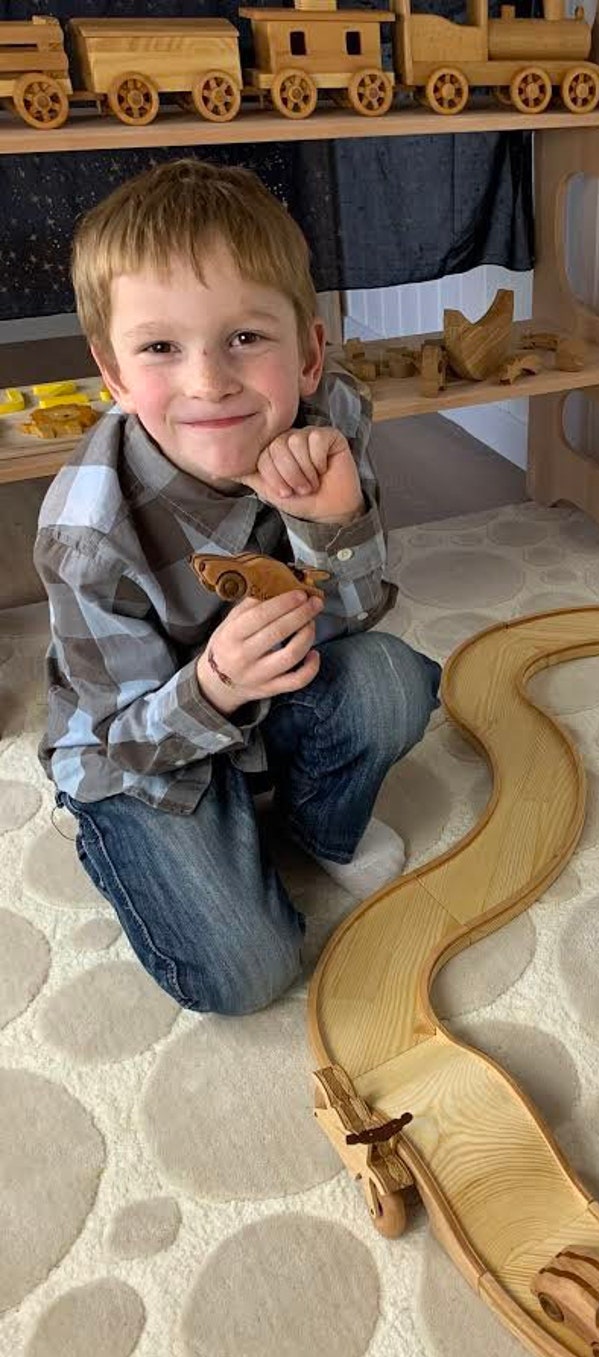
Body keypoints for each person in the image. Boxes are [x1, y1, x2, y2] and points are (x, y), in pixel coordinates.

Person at [34, 158, 441, 1016]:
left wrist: (333, 525)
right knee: (246, 978)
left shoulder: (331, 417)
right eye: (160, 348)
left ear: (308, 355)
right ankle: (134, 843)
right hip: (137, 746)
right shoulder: (88, 533)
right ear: (111, 372)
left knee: (391, 679)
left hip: (260, 698)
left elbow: (357, 618)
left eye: (246, 338)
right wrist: (216, 686)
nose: (208, 381)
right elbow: (115, 742)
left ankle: (308, 822)